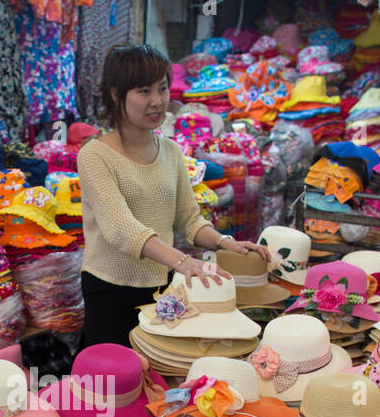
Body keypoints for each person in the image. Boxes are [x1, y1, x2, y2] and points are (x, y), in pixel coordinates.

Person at [77, 44, 269, 347]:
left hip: (161, 287)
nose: (157, 102)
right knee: (112, 384)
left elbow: (189, 219)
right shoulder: (95, 155)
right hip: (110, 288)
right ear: (116, 94)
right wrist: (182, 261)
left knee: (158, 374)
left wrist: (226, 243)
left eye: (162, 89)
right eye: (143, 91)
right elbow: (121, 229)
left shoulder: (170, 151)